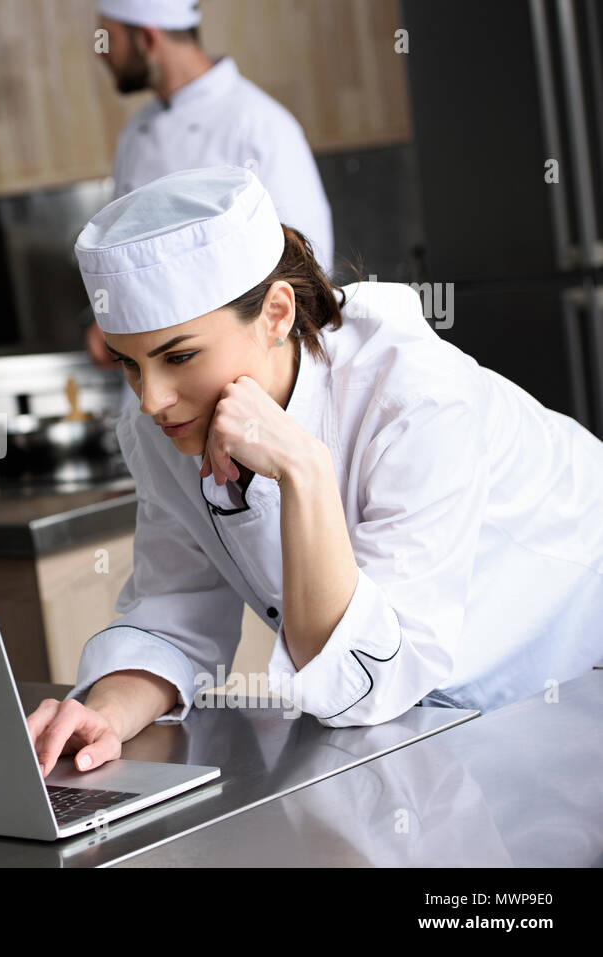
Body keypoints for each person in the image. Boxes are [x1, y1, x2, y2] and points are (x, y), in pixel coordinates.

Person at [30, 165, 603, 776]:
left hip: (570, 659)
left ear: (276, 314)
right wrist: (107, 713)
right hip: (432, 717)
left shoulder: (414, 399)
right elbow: (177, 608)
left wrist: (303, 469)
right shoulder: (162, 426)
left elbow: (364, 681)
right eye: (129, 365)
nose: (151, 399)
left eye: (180, 356)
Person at [85, 0, 333, 370]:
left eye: (108, 38)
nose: (101, 52)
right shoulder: (135, 136)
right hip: (147, 375)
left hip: (238, 376)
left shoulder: (261, 126)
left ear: (148, 39)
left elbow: (306, 276)